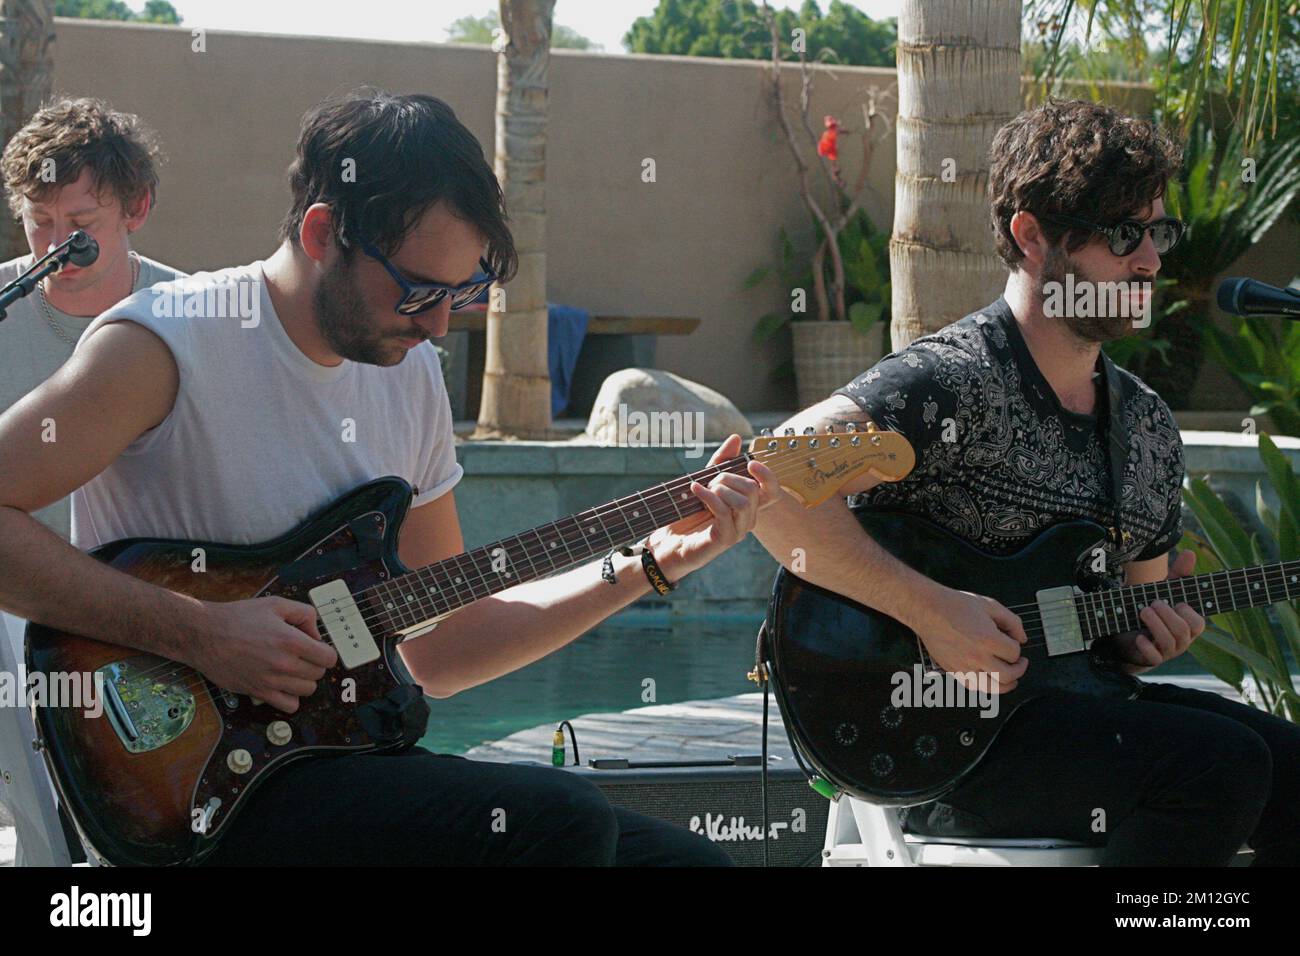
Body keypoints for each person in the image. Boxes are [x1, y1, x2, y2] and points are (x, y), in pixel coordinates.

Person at [0, 89, 777, 866]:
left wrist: (651, 563)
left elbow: (444, 646)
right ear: (321, 233)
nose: (438, 323)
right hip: (197, 800)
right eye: (418, 289)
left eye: (461, 295)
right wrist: (200, 633)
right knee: (560, 821)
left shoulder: (409, 374)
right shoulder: (163, 346)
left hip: (347, 772)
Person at [752, 99, 1300, 865]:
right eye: (1122, 234)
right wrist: (935, 613)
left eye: (1157, 232)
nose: (1149, 259)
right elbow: (769, 478)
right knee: (1216, 763)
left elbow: (1122, 634)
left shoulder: (1146, 428)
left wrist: (1149, 640)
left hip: (1076, 715)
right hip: (932, 739)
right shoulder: (948, 385)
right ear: (1032, 234)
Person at [0, 97, 184, 540]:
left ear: (136, 208)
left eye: (81, 223)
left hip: (150, 592)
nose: (55, 246)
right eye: (40, 220)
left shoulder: (190, 312)